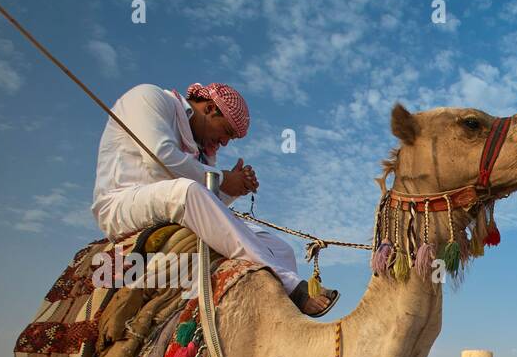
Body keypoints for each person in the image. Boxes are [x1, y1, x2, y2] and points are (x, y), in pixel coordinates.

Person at [91, 81, 337, 316]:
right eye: (227, 132)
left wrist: (233, 190)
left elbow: (207, 205)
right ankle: (290, 286)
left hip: (173, 207)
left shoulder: (202, 152)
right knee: (188, 191)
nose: (225, 142)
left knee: (280, 249)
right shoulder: (150, 97)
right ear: (209, 109)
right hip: (122, 204)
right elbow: (161, 159)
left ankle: (281, 315)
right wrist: (224, 178)